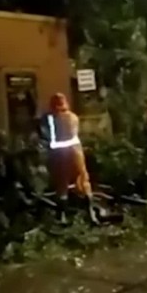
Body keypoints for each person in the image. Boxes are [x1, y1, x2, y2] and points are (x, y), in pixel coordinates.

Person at [42, 93, 98, 224]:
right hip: (76, 153)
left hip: (61, 154)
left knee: (62, 184)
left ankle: (61, 216)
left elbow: (46, 134)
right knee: (83, 180)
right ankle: (91, 214)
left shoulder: (51, 118)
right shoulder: (73, 117)